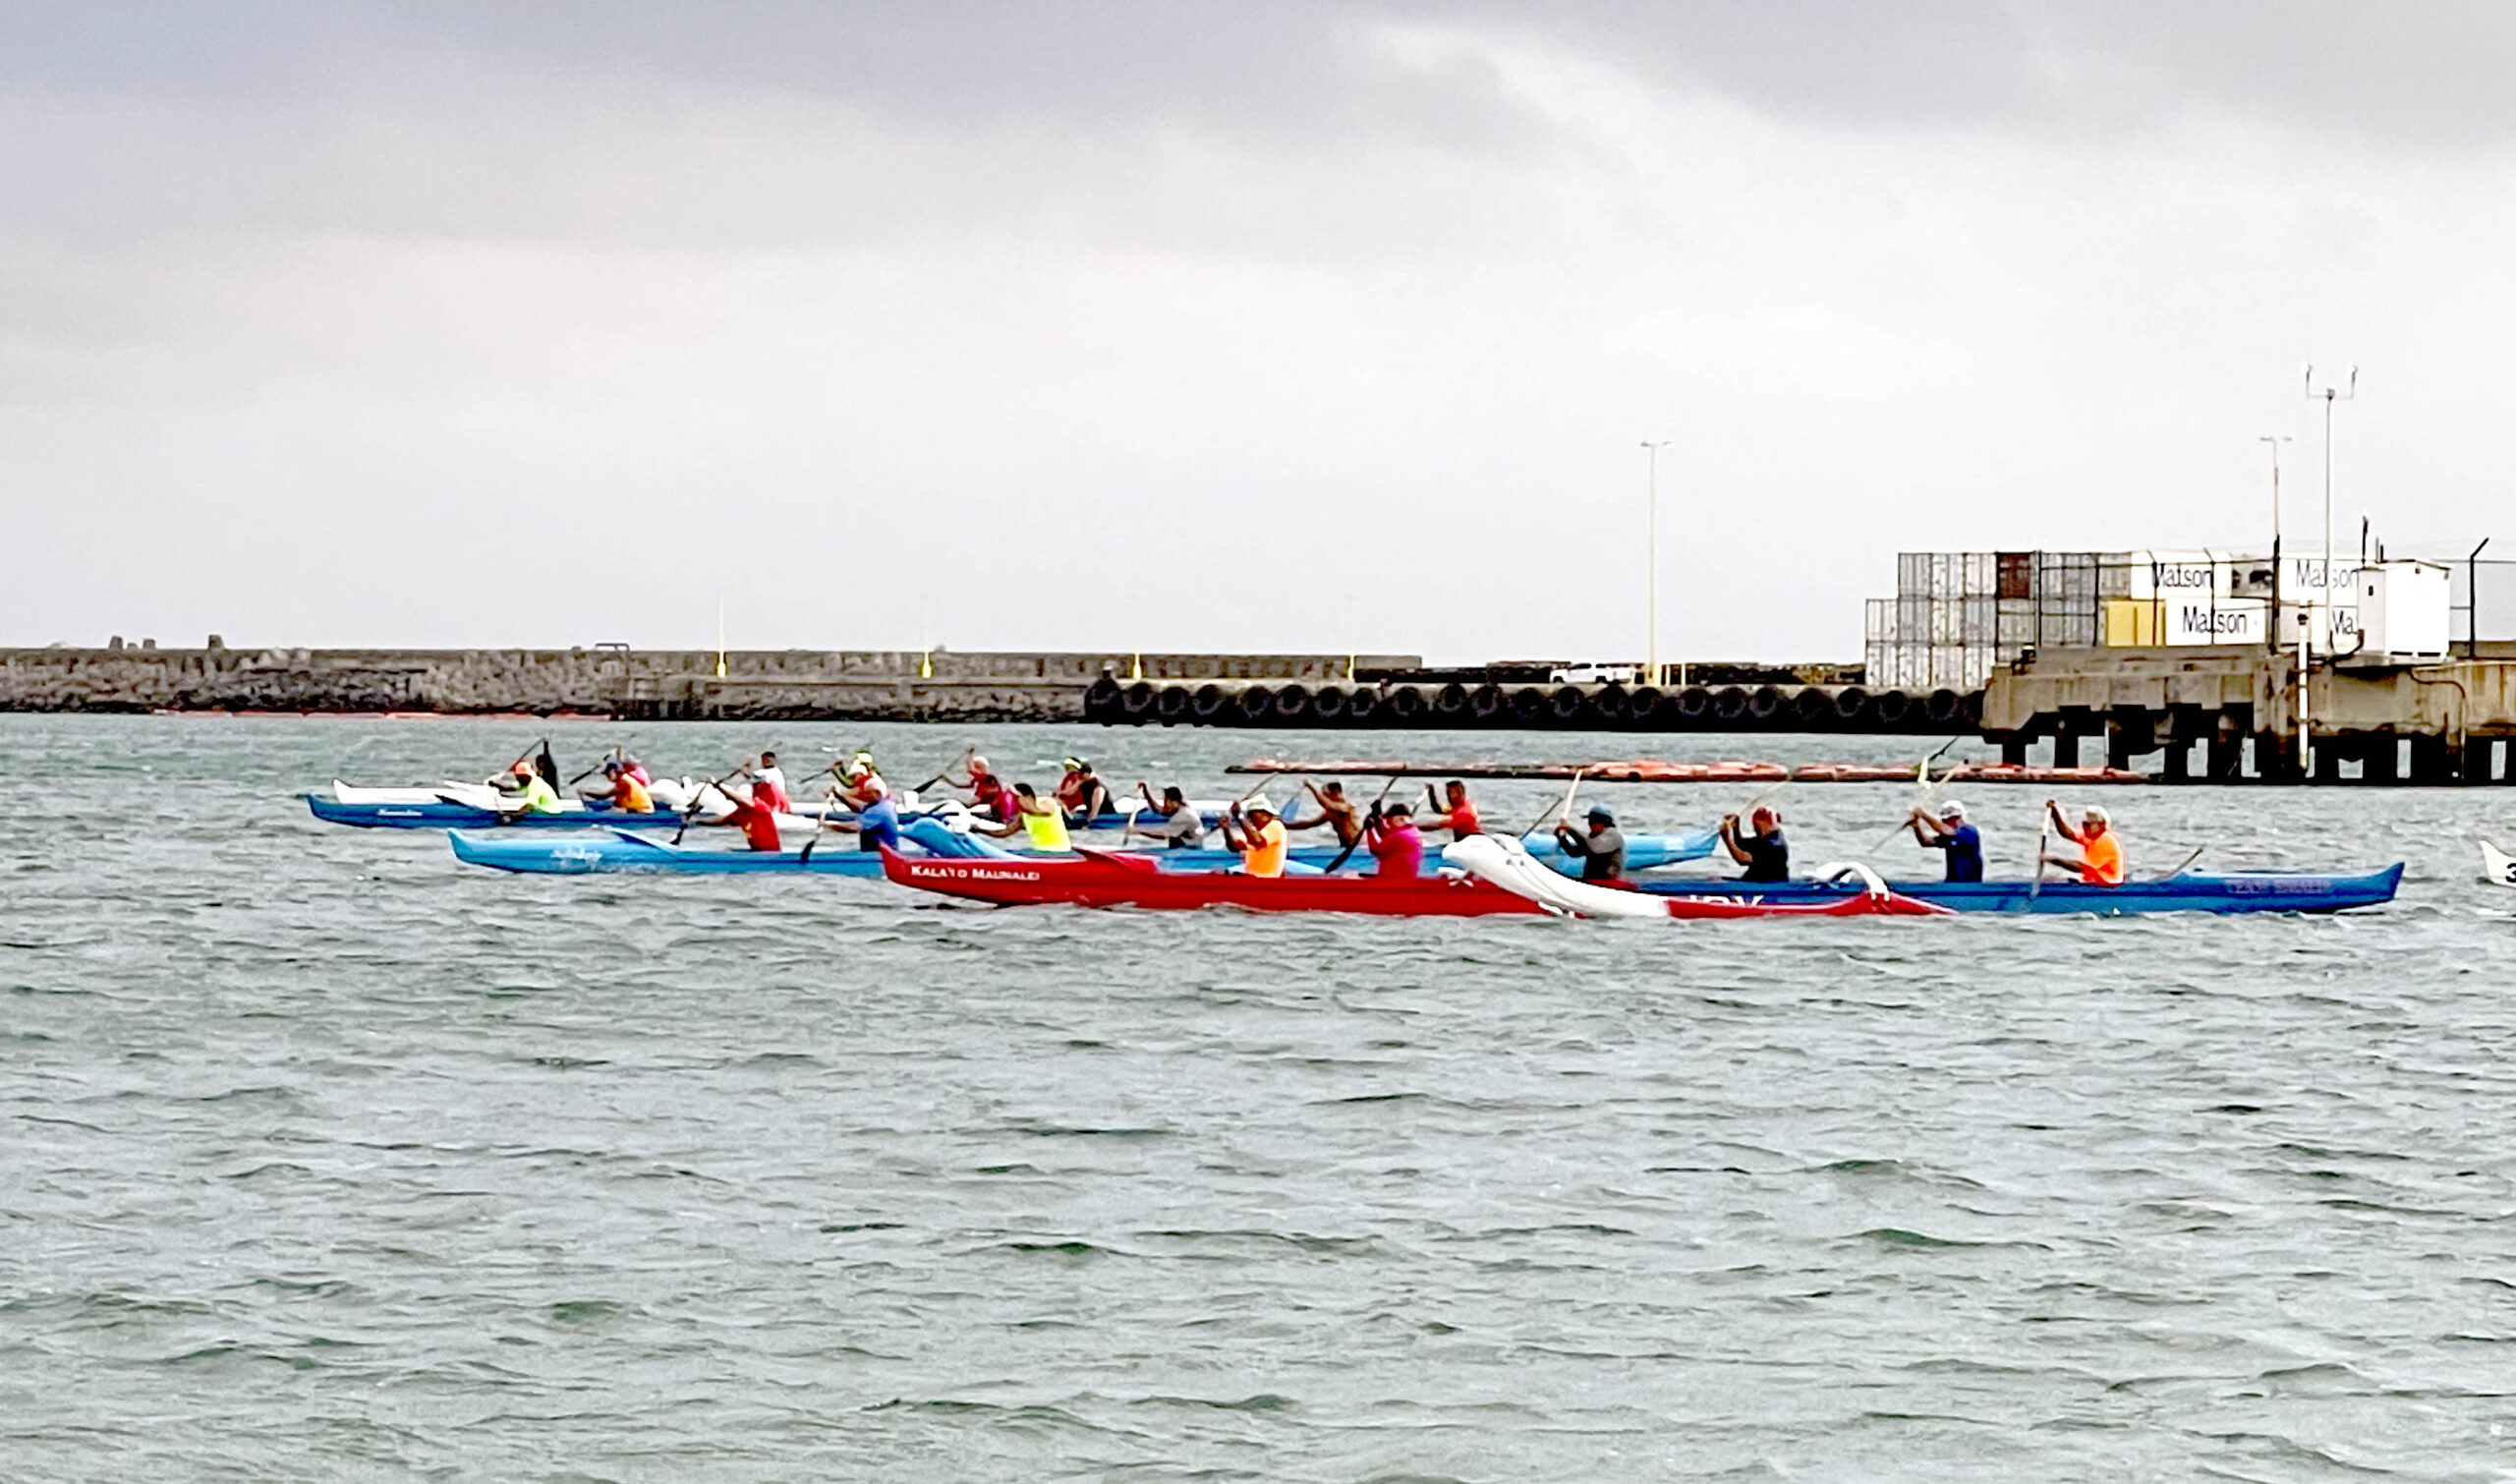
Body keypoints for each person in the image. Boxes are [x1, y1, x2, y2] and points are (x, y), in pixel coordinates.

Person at [2042, 800, 2125, 885]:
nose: (2085, 828)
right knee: (2051, 879)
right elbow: (2067, 833)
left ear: (2101, 825)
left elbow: (2083, 868)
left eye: (2088, 825)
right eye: (2084, 824)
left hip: (2108, 885)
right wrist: (2055, 814)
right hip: (2093, 881)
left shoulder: (2105, 841)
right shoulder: (2092, 835)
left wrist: (2056, 861)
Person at [977, 782, 1072, 852]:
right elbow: (1005, 832)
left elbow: (1043, 812)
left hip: (1059, 852)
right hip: (1039, 852)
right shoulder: (1022, 813)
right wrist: (976, 829)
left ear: (1027, 797)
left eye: (1016, 799)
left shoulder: (1047, 802)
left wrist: (1023, 805)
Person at [1908, 799, 1983, 883]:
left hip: (1970, 884)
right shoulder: (1950, 836)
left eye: (1947, 820)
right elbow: (1925, 842)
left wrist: (1923, 814)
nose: (1944, 822)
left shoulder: (1970, 832)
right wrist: (1915, 825)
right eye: (1943, 820)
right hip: (1951, 884)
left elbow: (1946, 831)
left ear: (1958, 818)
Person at [1220, 794, 1289, 878]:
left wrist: (1240, 817)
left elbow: (1258, 841)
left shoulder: (1276, 826)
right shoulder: (1254, 832)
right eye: (1248, 816)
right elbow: (1234, 847)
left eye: (1252, 816)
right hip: (1253, 878)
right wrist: (1226, 829)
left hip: (1267, 879)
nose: (1250, 819)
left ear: (1264, 814)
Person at [836, 757, 897, 852]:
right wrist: (838, 796)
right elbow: (858, 808)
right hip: (874, 853)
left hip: (880, 857)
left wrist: (827, 825)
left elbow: (853, 827)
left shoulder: (880, 809)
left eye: (870, 793)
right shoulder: (875, 806)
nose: (867, 795)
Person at [1554, 804, 1626, 882]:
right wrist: (1561, 838)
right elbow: (1573, 852)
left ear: (1603, 822)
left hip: (1608, 883)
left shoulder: (1612, 835)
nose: (1589, 824)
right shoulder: (1593, 838)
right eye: (1589, 821)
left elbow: (1594, 848)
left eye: (1592, 821)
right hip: (1591, 881)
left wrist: (1569, 829)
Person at [1123, 785, 1208, 850]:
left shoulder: (1183, 816)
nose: (1164, 805)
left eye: (1166, 801)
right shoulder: (1181, 806)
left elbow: (1163, 834)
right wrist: (1145, 791)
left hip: (1190, 850)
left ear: (1174, 802)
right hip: (1185, 846)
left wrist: (1137, 830)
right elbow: (1158, 809)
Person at [1719, 804, 1789, 883]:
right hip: (1753, 880)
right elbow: (1741, 844)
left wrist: (1727, 838)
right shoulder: (1763, 839)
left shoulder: (1775, 845)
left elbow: (1742, 859)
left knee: (1717, 881)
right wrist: (1735, 827)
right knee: (1716, 879)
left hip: (1767, 883)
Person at [1286, 780, 1365, 849]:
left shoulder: (1348, 807)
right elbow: (1310, 824)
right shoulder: (1330, 813)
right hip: (1345, 847)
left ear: (1336, 793)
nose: (1324, 798)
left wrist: (1312, 788)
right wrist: (1286, 825)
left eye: (1325, 795)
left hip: (1359, 847)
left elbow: (1328, 805)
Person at [1363, 801, 1424, 878]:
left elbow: (1374, 850)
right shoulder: (1414, 832)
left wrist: (1369, 830)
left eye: (1389, 821)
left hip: (1392, 879)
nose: (1388, 824)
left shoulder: (1400, 836)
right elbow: (1387, 835)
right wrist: (1377, 818)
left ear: (1397, 819)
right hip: (1406, 877)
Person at [719, 778, 783, 852]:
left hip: (770, 852)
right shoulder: (739, 814)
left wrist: (720, 788)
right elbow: (717, 821)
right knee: (727, 850)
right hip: (755, 850)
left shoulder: (760, 806)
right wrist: (702, 821)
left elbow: (739, 800)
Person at [1054, 758, 1113, 827]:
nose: (1079, 778)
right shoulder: (1083, 785)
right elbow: (1071, 792)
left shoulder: (1098, 789)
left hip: (1104, 814)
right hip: (1090, 811)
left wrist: (1089, 821)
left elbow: (1095, 810)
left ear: (1087, 775)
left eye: (1081, 776)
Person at [1416, 780, 1483, 841]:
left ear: (1463, 792)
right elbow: (1438, 810)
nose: (1454, 796)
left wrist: (1413, 827)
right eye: (1451, 793)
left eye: (1458, 793)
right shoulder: (1460, 804)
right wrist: (1431, 792)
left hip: (1471, 842)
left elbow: (1437, 826)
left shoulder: (1464, 811)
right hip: (1462, 839)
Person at [493, 759, 564, 815]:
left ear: (524, 776)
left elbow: (529, 806)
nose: (517, 780)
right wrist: (495, 785)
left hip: (550, 815)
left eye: (518, 778)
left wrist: (512, 815)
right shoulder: (529, 780)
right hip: (545, 812)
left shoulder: (535, 785)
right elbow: (513, 788)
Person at [584, 759, 655, 814]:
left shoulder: (623, 783)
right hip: (640, 808)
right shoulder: (624, 778)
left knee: (612, 811)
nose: (607, 777)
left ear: (615, 772)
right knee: (613, 809)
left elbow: (603, 796)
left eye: (609, 774)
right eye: (606, 775)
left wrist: (585, 792)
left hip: (643, 811)